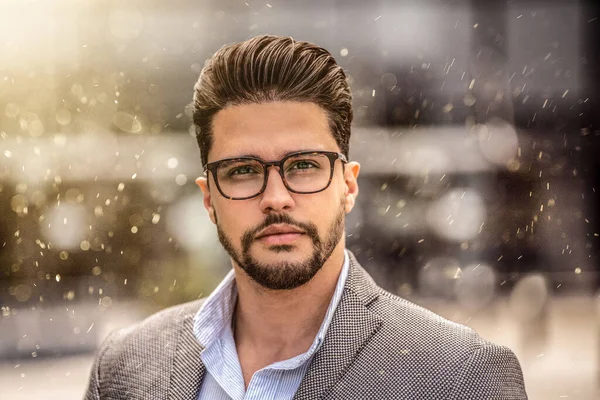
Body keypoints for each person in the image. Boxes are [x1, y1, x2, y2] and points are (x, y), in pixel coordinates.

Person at [84, 35, 527, 399]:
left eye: (303, 165)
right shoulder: (125, 370)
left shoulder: (461, 379)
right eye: (242, 171)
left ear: (348, 185)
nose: (276, 198)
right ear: (208, 199)